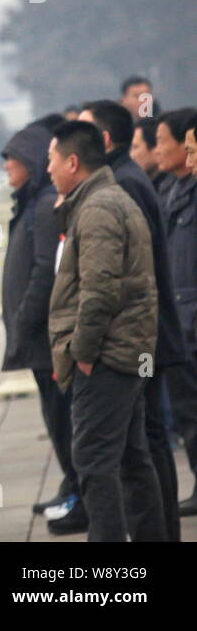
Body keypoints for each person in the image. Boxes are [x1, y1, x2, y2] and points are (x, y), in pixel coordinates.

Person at [46, 120, 166, 542]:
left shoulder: (97, 208)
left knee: (95, 464)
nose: (49, 169)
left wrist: (82, 351)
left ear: (73, 162)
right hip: (125, 351)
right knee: (132, 459)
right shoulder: (107, 199)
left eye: (52, 160)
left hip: (107, 357)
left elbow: (98, 292)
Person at [79, 100, 188, 538]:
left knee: (147, 442)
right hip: (145, 333)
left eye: (85, 131)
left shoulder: (123, 184)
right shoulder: (122, 179)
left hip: (143, 336)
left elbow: (129, 274)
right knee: (144, 442)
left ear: (104, 140)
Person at [0, 121, 80, 526]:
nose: (7, 167)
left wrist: (24, 320)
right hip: (35, 338)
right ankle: (71, 486)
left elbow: (46, 271)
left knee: (64, 420)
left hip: (45, 337)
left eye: (12, 158)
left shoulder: (45, 205)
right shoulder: (31, 202)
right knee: (56, 418)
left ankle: (77, 496)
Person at [156, 106, 197, 516]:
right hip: (182, 321)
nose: (188, 158)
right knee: (188, 412)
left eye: (191, 148)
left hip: (191, 319)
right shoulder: (174, 189)